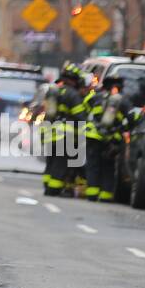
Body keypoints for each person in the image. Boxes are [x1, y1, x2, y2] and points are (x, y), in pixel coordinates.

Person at [41, 64, 87, 198]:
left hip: (50, 133)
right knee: (59, 165)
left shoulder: (53, 91)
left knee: (50, 162)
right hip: (64, 136)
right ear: (74, 80)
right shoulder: (73, 95)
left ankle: (47, 186)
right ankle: (52, 190)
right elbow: (80, 117)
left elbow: (47, 114)